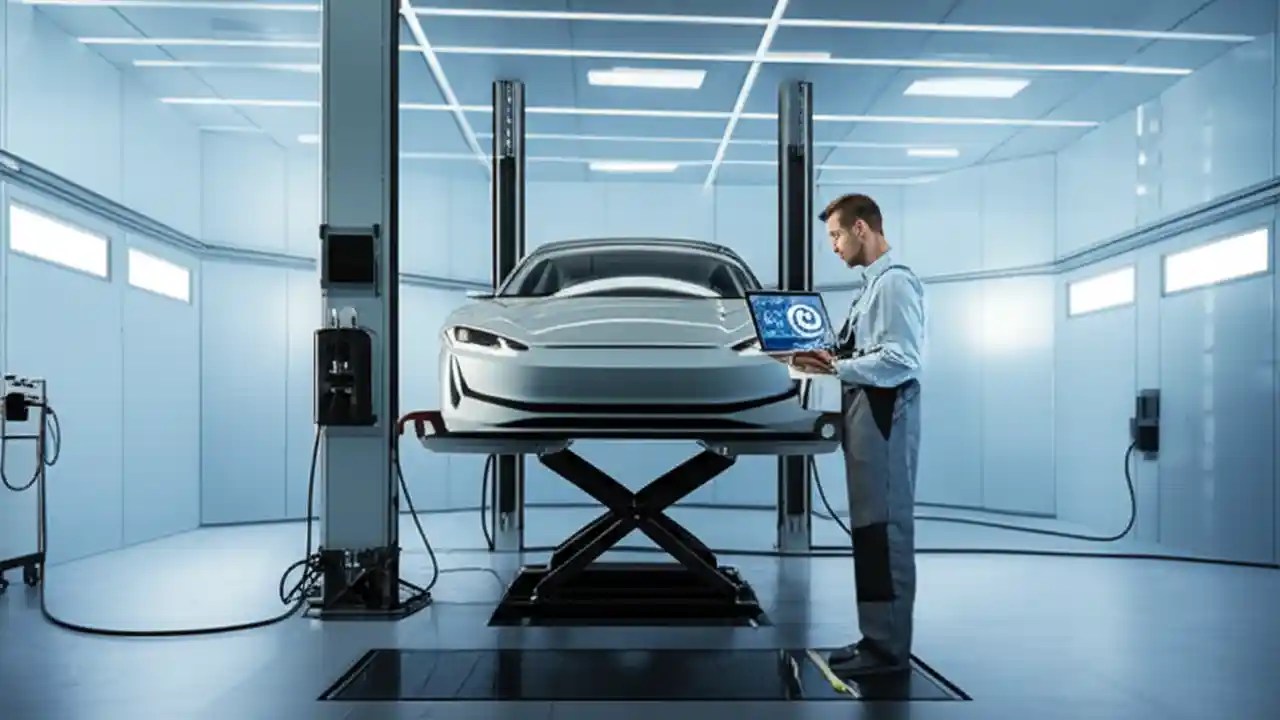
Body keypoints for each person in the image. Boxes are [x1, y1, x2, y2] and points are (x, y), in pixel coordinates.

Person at [788, 193, 926, 676]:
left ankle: (889, 652)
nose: (833, 246)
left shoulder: (894, 284)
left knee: (885, 535)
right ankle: (875, 638)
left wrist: (840, 366)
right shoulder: (869, 288)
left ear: (862, 228)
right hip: (864, 419)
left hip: (886, 420)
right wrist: (828, 358)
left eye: (836, 235)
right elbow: (865, 349)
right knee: (869, 534)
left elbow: (902, 360)